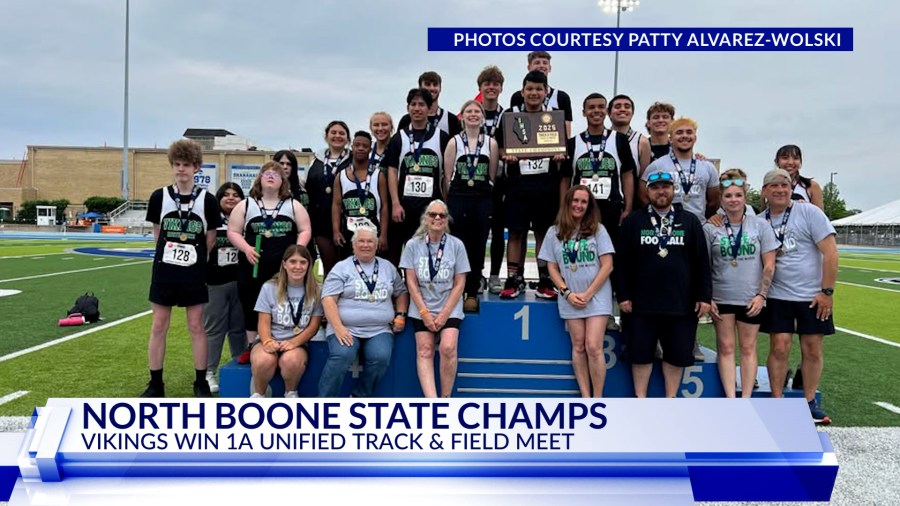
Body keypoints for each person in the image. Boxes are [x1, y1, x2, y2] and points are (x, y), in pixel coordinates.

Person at [614, 171, 712, 398]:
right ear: (647, 191)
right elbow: (622, 263)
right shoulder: (633, 221)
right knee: (640, 355)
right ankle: (640, 398)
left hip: (680, 304)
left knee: (676, 355)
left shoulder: (689, 221)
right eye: (656, 187)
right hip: (640, 305)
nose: (661, 191)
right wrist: (623, 295)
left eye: (666, 186)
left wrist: (704, 296)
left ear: (673, 190)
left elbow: (701, 262)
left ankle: (670, 399)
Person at [142, 139, 221, 398]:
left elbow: (210, 239)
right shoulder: (159, 197)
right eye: (177, 164)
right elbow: (158, 235)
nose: (181, 170)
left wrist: (193, 261)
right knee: (159, 325)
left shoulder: (207, 200)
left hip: (194, 273)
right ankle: (155, 383)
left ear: (196, 167)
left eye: (186, 165)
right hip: (164, 272)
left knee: (197, 326)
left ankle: (200, 381)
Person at [759, 168, 837, 424]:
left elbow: (830, 252)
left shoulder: (809, 212)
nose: (780, 189)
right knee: (779, 346)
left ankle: (809, 400)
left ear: (791, 188)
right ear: (765, 191)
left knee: (812, 347)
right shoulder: (761, 220)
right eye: (774, 185)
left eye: (784, 185)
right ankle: (777, 400)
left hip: (811, 294)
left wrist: (827, 292)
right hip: (778, 294)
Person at [703, 169, 778, 398]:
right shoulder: (710, 227)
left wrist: (761, 295)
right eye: (728, 196)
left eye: (738, 195)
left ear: (745, 197)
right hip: (722, 298)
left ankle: (745, 398)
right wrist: (709, 297)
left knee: (748, 348)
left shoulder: (760, 226)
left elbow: (769, 264)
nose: (733, 200)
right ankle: (731, 398)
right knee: (725, 348)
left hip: (751, 299)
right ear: (721, 200)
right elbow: (704, 266)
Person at [227, 162, 312, 363]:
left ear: (283, 180)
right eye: (267, 173)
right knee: (250, 305)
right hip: (252, 266)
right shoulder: (246, 204)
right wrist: (246, 248)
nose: (271, 176)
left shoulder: (292, 205)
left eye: (276, 173)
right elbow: (233, 231)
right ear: (259, 178)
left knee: (281, 304)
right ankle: (252, 344)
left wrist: (297, 253)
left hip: (282, 270)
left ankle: (286, 341)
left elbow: (305, 229)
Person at [498, 70, 570, 300]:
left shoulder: (553, 118)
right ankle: (513, 279)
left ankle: (544, 280)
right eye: (530, 89)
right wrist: (505, 155)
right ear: (522, 91)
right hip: (518, 186)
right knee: (516, 233)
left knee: (542, 233)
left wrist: (560, 156)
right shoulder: (511, 115)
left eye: (539, 89)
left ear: (546, 92)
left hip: (545, 187)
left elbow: (563, 150)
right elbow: (500, 146)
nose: (534, 93)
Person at [538, 186, 615, 397]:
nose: (579, 205)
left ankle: (598, 398)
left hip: (597, 296)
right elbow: (551, 266)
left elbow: (607, 265)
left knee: (593, 346)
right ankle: (585, 396)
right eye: (576, 201)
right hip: (570, 297)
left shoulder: (598, 230)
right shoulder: (553, 232)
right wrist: (566, 292)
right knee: (579, 346)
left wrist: (589, 293)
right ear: (568, 203)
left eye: (584, 202)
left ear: (589, 206)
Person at [318, 227, 410, 397]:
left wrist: (401, 315)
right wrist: (338, 328)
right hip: (345, 327)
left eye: (370, 241)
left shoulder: (387, 267)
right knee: (343, 354)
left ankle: (360, 395)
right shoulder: (342, 267)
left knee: (380, 357)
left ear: (377, 245)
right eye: (361, 241)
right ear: (353, 246)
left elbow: (401, 292)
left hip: (379, 329)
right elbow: (328, 299)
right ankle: (325, 402)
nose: (365, 245)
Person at [401, 200, 469, 397]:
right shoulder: (413, 245)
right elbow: (411, 282)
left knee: (448, 347)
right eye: (433, 215)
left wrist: (444, 314)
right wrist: (424, 313)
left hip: (449, 303)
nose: (437, 218)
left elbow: (460, 283)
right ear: (425, 218)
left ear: (447, 219)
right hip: (422, 304)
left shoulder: (456, 245)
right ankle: (432, 403)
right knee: (425, 349)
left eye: (442, 215)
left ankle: (445, 398)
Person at [385, 88, 450, 267]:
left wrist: (446, 202)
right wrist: (396, 203)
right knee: (399, 252)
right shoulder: (399, 138)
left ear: (430, 109)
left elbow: (446, 173)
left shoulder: (441, 137)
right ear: (408, 108)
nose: (417, 108)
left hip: (430, 207)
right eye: (413, 104)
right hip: (404, 206)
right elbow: (392, 171)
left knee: (428, 252)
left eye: (421, 104)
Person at [443, 100, 498, 312]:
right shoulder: (454, 142)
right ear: (462, 116)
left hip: (482, 197)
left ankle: (472, 291)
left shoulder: (490, 143)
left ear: (483, 117)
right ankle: (457, 288)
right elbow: (447, 177)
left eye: (477, 111)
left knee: (478, 244)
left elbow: (492, 175)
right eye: (469, 111)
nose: (473, 114)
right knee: (458, 243)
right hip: (459, 196)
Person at [250, 245, 322, 398]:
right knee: (264, 360)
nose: (298, 266)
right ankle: (259, 395)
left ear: (309, 265)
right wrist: (267, 341)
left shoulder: (316, 290)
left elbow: (314, 326)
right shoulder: (269, 287)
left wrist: (294, 342)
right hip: (270, 338)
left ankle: (290, 393)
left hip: (298, 341)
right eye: (293, 262)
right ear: (284, 264)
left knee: (291, 360)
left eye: (303, 262)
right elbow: (263, 322)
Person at [565, 92, 636, 240]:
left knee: (610, 253)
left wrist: (628, 208)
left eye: (601, 107)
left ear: (607, 112)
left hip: (612, 207)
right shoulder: (573, 143)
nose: (596, 111)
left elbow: (627, 175)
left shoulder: (620, 140)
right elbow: (565, 179)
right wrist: (563, 208)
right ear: (584, 112)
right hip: (581, 208)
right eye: (591, 107)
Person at [203, 182, 247, 394]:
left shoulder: (246, 220)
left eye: (236, 195)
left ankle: (237, 366)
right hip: (215, 282)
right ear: (219, 198)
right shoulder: (211, 220)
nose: (231, 198)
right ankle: (208, 371)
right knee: (214, 329)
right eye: (226, 195)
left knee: (239, 328)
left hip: (240, 283)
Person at [640, 117, 720, 221]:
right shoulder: (657, 165)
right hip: (666, 226)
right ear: (670, 139)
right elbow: (642, 195)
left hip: (698, 226)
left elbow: (714, 202)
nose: (684, 136)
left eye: (689, 132)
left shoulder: (707, 167)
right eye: (679, 132)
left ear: (695, 138)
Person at [477, 65, 508, 295]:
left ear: (500, 88)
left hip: (500, 180)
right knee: (477, 229)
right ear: (480, 87)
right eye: (487, 83)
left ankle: (496, 275)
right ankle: (476, 273)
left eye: (495, 84)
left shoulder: (507, 116)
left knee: (498, 229)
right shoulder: (470, 114)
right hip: (476, 181)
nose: (491, 87)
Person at [332, 131, 390, 256]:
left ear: (370, 149)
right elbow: (336, 206)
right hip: (349, 234)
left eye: (365, 146)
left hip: (374, 233)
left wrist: (384, 235)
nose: (360, 148)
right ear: (352, 147)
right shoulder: (341, 176)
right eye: (357, 145)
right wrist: (336, 231)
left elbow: (384, 206)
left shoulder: (378, 175)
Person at [306, 120, 352, 274]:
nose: (337, 136)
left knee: (348, 266)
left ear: (347, 138)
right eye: (333, 132)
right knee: (329, 267)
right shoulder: (316, 161)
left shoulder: (353, 160)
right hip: (321, 223)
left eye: (341, 133)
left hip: (347, 223)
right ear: (326, 136)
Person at [509, 51, 573, 136]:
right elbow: (512, 124)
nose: (541, 66)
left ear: (550, 68)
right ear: (529, 67)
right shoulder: (517, 97)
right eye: (537, 63)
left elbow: (566, 131)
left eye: (545, 63)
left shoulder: (561, 97)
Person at [397, 71, 462, 137]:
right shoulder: (406, 120)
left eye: (435, 84)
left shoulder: (451, 120)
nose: (431, 88)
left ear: (440, 88)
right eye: (427, 84)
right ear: (420, 87)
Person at [608, 94, 652, 179]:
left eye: (627, 107)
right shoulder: (602, 138)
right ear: (609, 113)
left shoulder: (642, 141)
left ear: (632, 113)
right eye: (617, 107)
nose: (622, 109)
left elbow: (643, 178)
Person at [775, 144, 824, 209]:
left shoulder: (811, 186)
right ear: (777, 162)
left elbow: (820, 217)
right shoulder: (769, 186)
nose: (790, 162)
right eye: (785, 158)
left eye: (795, 158)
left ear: (800, 162)